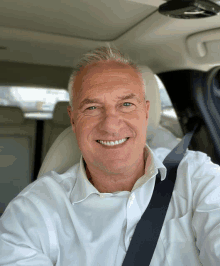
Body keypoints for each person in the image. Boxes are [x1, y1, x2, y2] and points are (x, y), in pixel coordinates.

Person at [0, 46, 220, 266]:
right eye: (93, 107)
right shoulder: (34, 210)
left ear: (145, 112)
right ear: (73, 119)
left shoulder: (197, 176)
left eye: (126, 104)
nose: (111, 125)